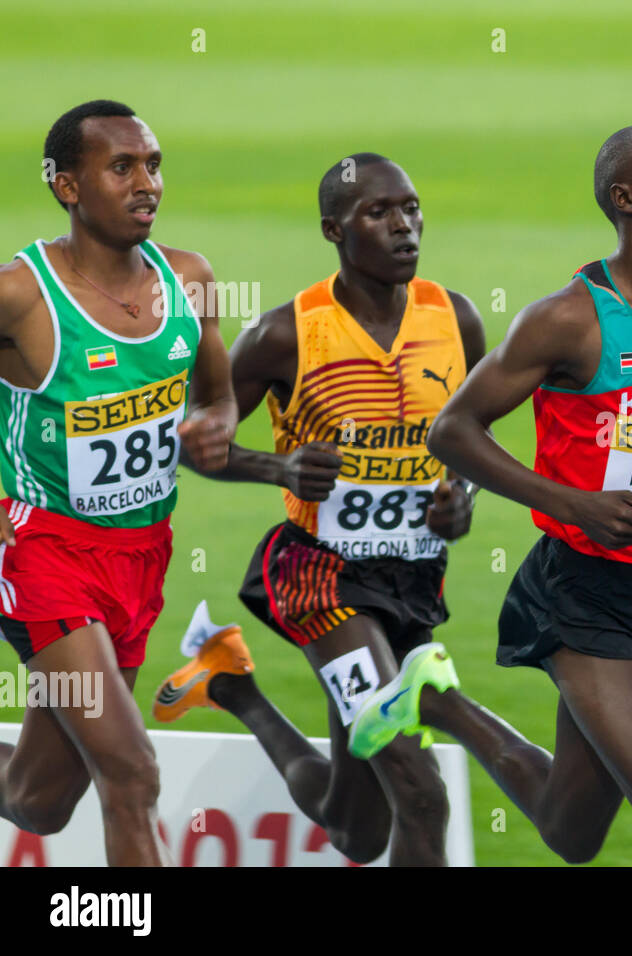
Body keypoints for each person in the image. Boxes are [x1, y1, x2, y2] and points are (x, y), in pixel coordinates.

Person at [348, 122, 632, 866]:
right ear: (626, 198)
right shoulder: (568, 320)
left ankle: (438, 702)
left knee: (572, 833)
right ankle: (435, 699)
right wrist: (571, 502)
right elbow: (454, 430)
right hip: (582, 592)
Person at [151, 153, 484, 866]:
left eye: (411, 208)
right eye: (379, 213)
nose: (404, 226)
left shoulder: (457, 320)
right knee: (421, 793)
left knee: (356, 829)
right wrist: (282, 468)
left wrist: (465, 499)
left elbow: (471, 442)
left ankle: (228, 683)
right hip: (322, 579)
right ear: (334, 230)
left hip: (413, 584)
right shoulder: (285, 334)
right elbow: (190, 441)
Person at [0, 100, 235, 866]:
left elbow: (219, 395)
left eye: (154, 165)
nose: (147, 184)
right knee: (131, 773)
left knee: (41, 800)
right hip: (43, 551)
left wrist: (217, 422)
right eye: (122, 167)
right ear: (67, 186)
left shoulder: (190, 279)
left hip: (141, 557)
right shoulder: (22, 296)